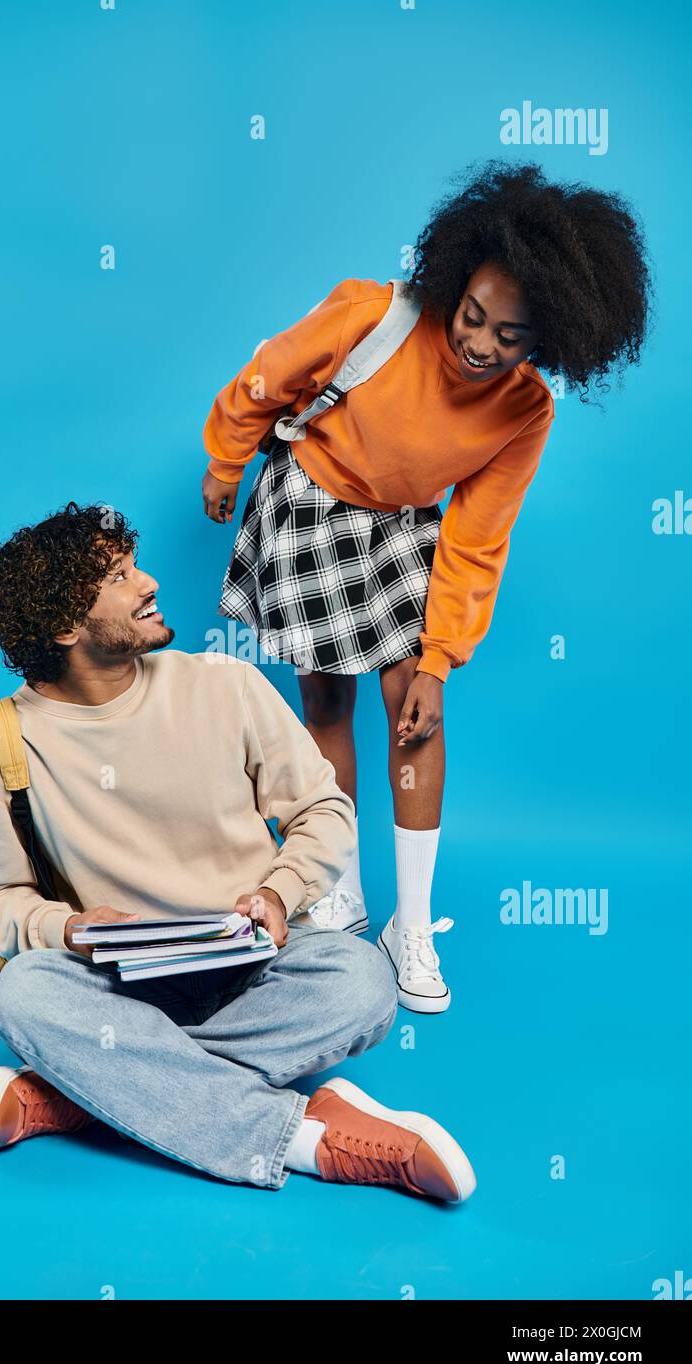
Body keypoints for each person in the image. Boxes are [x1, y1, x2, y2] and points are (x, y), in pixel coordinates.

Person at [201, 160, 652, 1013]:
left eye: (510, 337)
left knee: (414, 706)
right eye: (472, 315)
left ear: (548, 340)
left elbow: (478, 540)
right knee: (324, 706)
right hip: (314, 506)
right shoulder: (376, 315)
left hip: (403, 530)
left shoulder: (525, 413)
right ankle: (337, 886)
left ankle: (410, 923)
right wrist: (226, 457)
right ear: (452, 282)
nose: (479, 344)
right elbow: (270, 373)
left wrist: (441, 661)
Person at [0, 502, 476, 1201]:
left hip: (254, 968)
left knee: (362, 981)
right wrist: (67, 928)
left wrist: (280, 895)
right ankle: (310, 1140)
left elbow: (324, 810)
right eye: (119, 576)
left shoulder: (224, 685)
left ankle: (86, 1096)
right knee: (23, 995)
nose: (149, 583)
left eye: (135, 565)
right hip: (112, 985)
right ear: (62, 626)